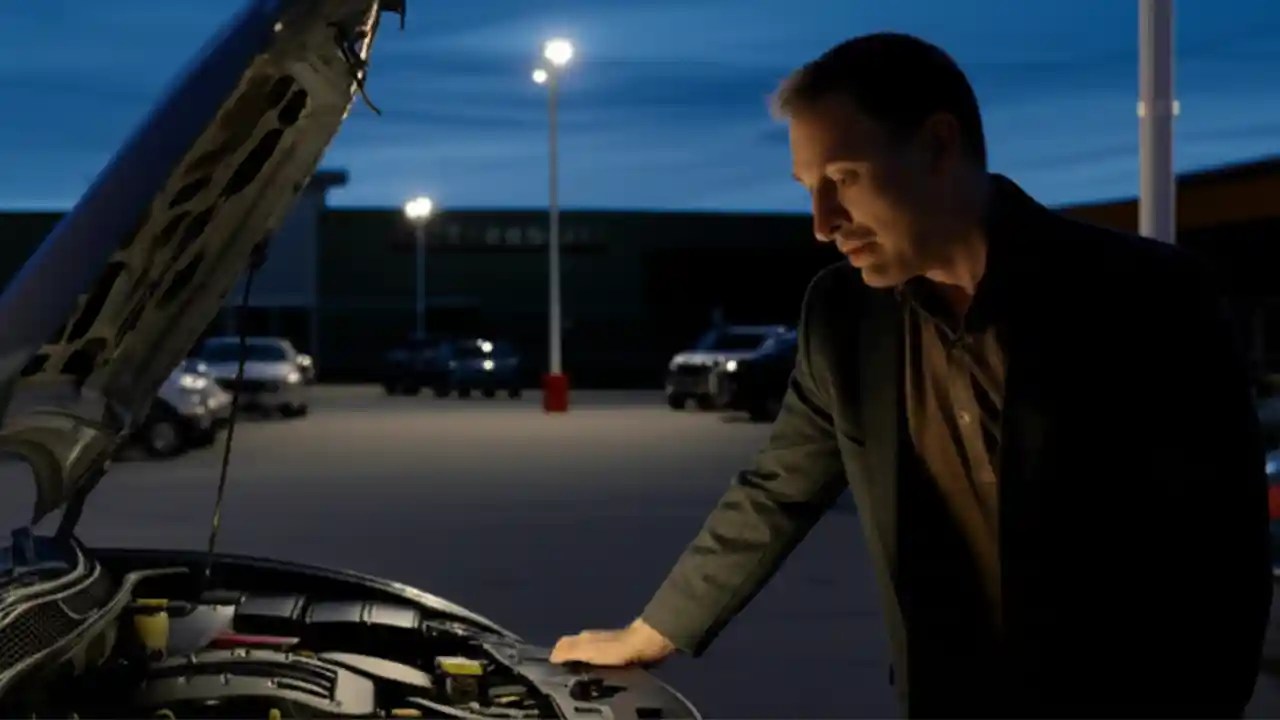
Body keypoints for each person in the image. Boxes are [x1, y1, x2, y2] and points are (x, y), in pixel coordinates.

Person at [550, 32, 1272, 717]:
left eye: (843, 179)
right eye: (808, 186)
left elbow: (1224, 551)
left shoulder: (1145, 296)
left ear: (937, 146)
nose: (822, 221)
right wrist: (654, 630)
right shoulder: (843, 314)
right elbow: (777, 488)